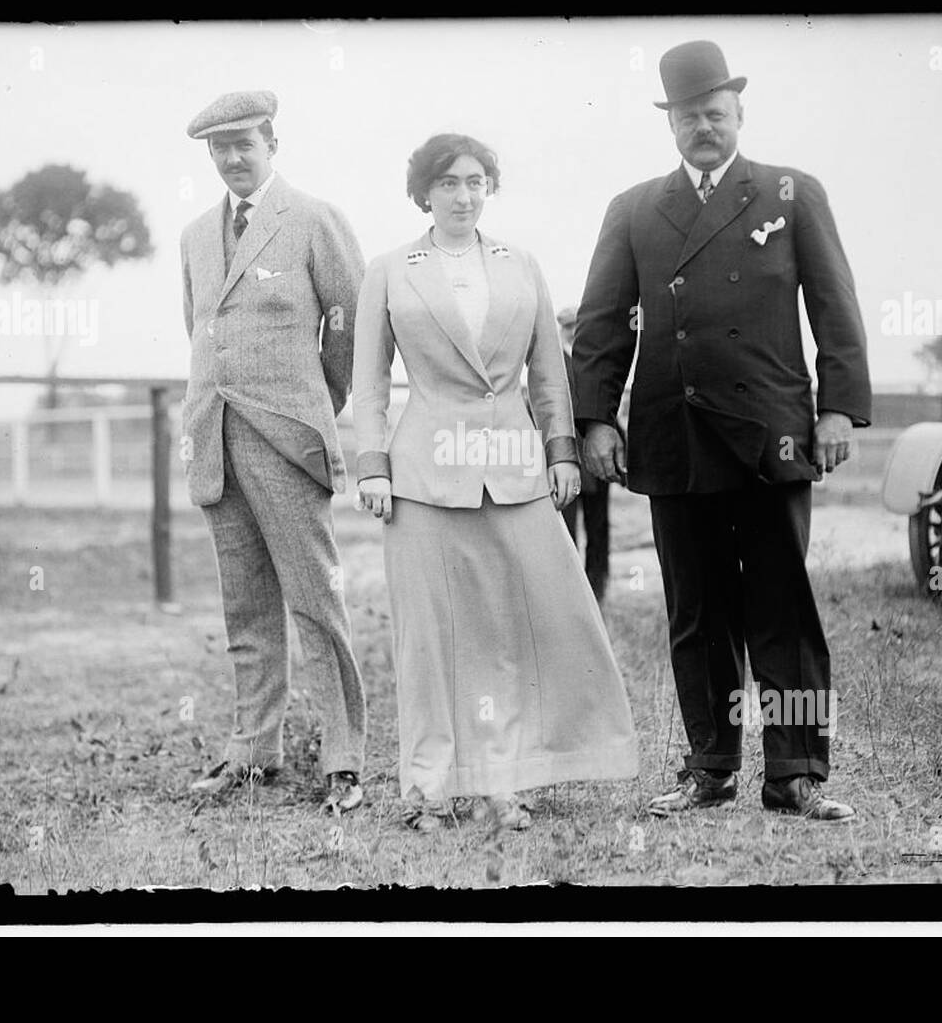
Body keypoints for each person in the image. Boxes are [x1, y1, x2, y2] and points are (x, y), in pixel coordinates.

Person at [571, 41, 872, 821]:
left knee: (782, 607)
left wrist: (837, 406)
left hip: (770, 434)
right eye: (687, 117)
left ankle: (796, 775)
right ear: (670, 125)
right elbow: (603, 325)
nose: (702, 127)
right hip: (674, 436)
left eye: (715, 113)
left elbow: (835, 307)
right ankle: (709, 769)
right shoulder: (634, 209)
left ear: (738, 113)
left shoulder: (791, 192)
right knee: (695, 613)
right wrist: (598, 418)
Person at [351, 134, 638, 832]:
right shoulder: (391, 269)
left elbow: (548, 373)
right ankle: (428, 788)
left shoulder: (520, 265)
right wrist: (373, 466)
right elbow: (368, 383)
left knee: (510, 632)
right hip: (422, 477)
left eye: (476, 181)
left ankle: (502, 783)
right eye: (448, 183)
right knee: (431, 638)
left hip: (515, 471)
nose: (464, 195)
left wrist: (562, 452)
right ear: (424, 192)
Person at [179, 90, 367, 813]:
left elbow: (349, 331)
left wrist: (311, 407)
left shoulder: (315, 221)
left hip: (288, 444)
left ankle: (344, 760)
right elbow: (199, 333)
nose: (231, 159)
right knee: (245, 610)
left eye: (244, 145)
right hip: (215, 444)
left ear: (272, 144)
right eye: (219, 149)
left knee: (315, 605)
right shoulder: (196, 235)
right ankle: (253, 753)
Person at [556, 308, 610, 605]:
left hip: (595, 459)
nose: (572, 331)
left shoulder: (591, 361)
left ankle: (597, 588)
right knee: (567, 529)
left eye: (577, 326)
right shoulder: (554, 364)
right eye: (568, 326)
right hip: (568, 460)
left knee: (598, 527)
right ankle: (572, 593)